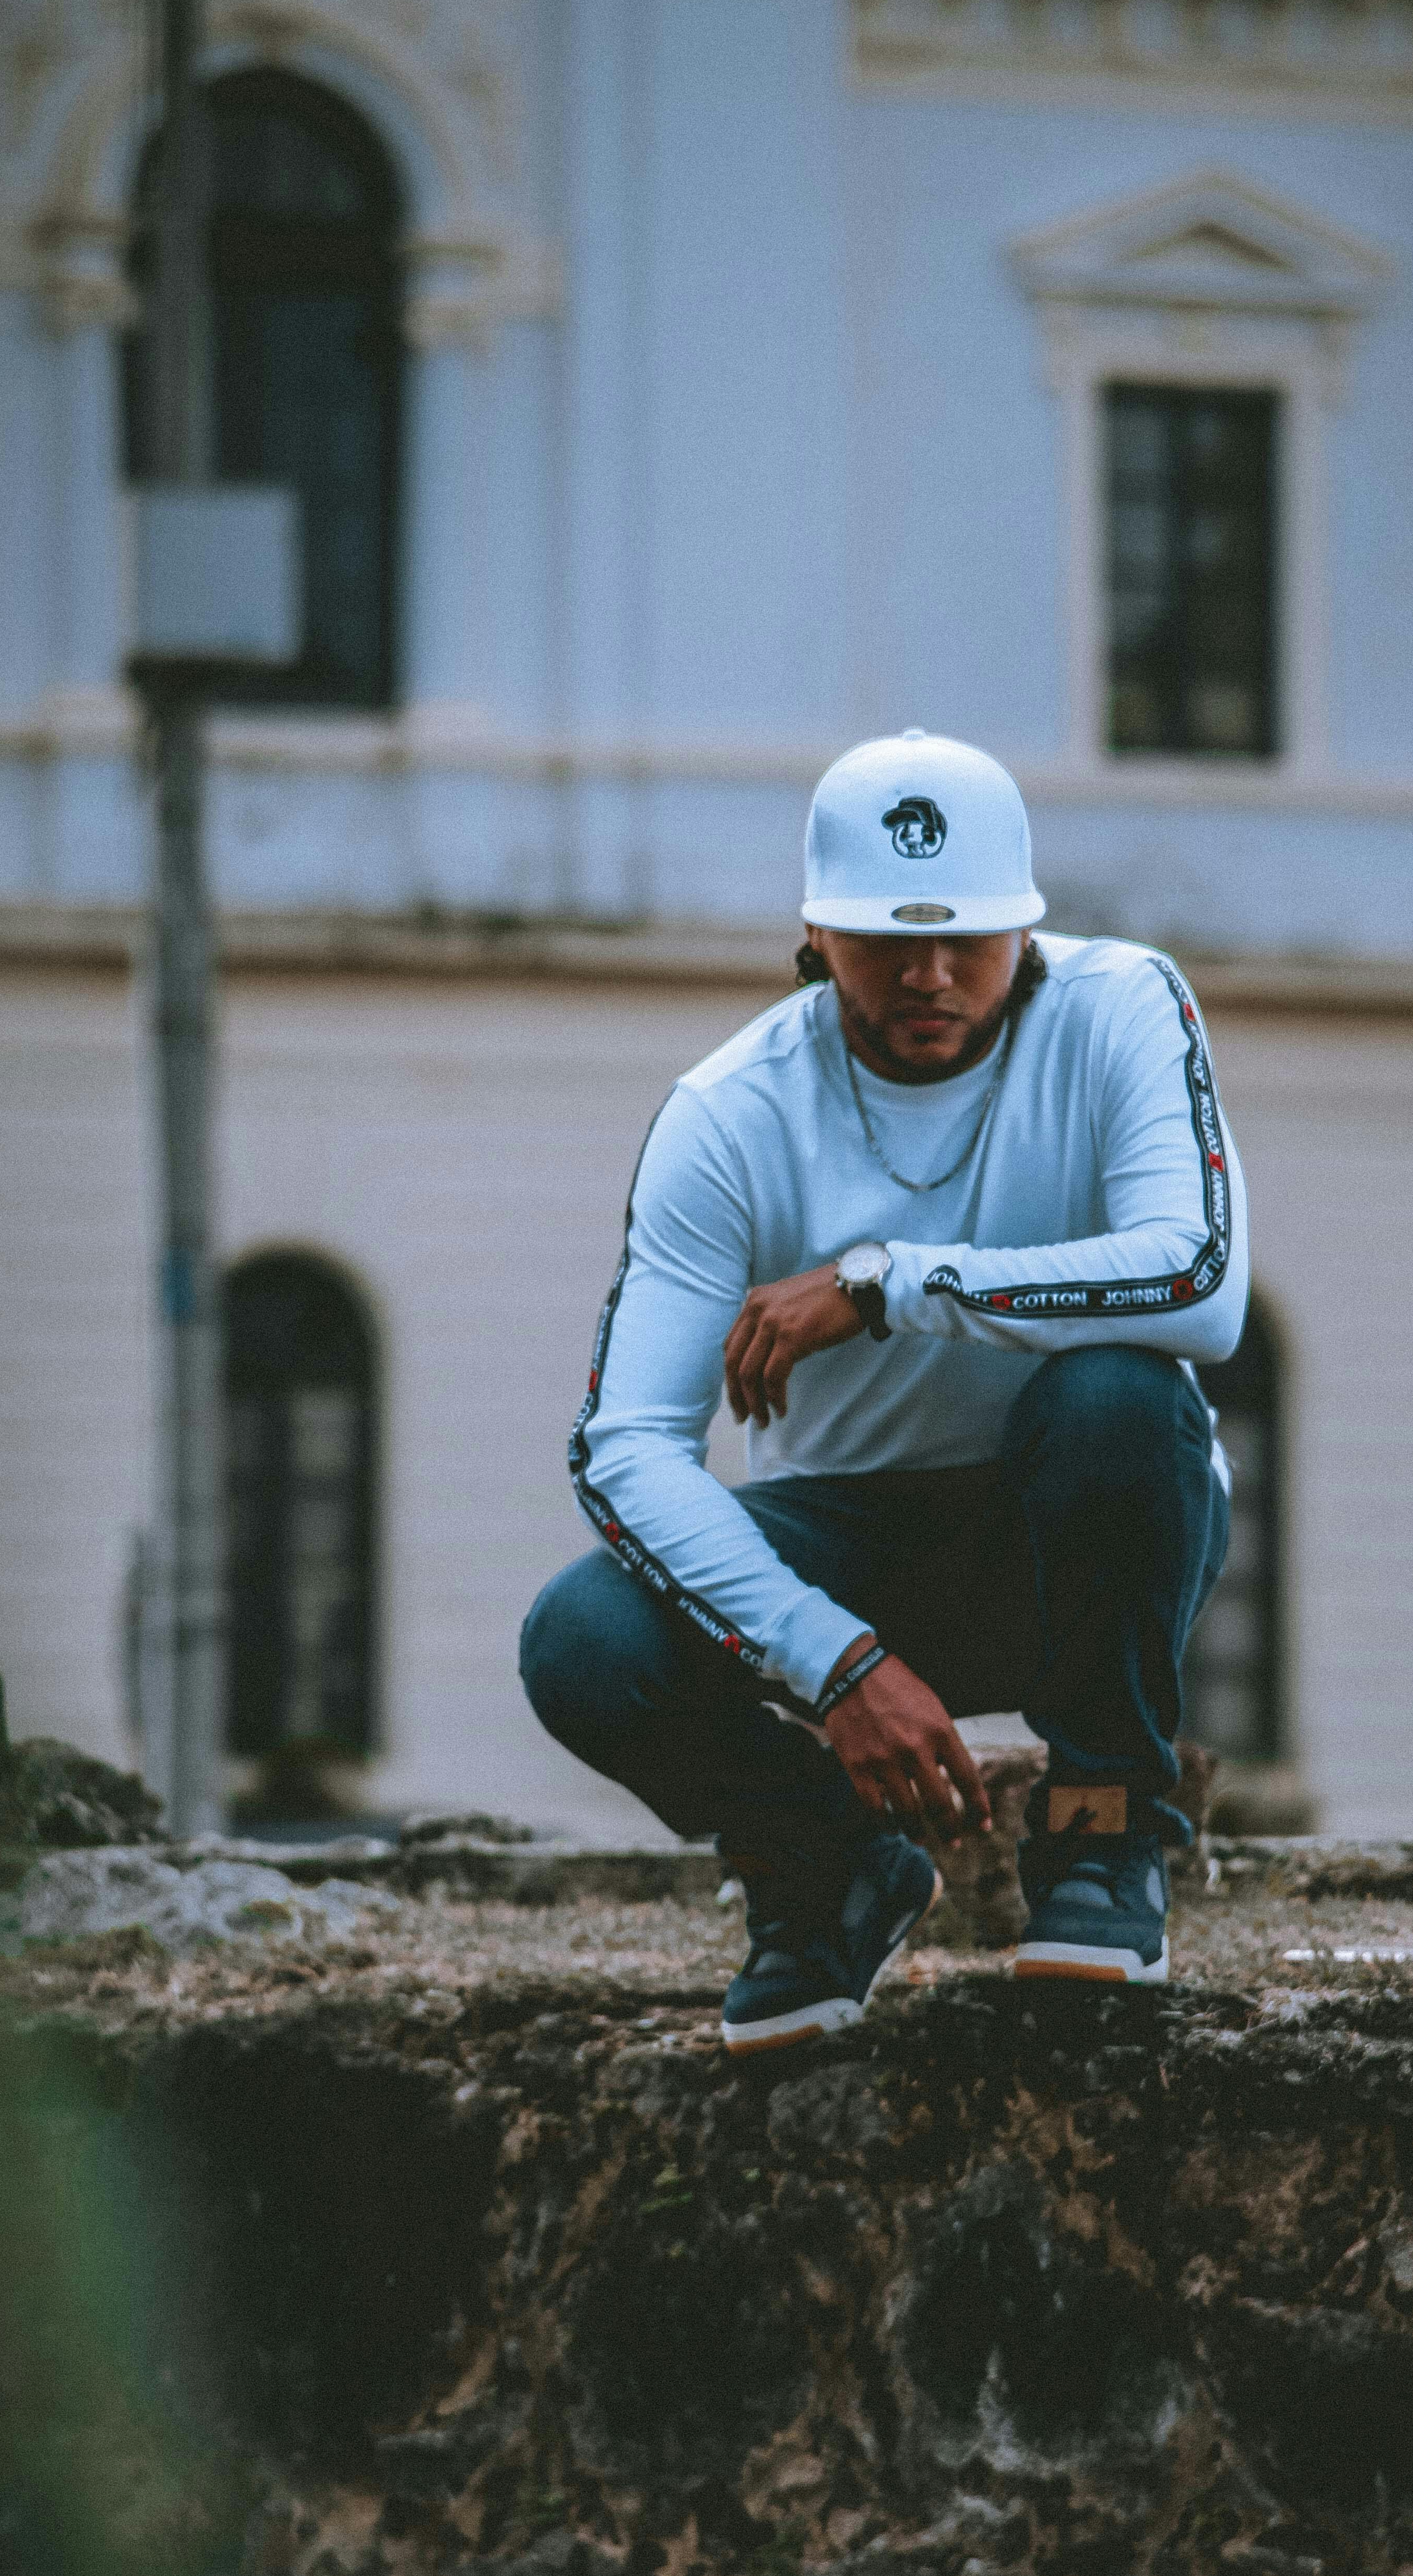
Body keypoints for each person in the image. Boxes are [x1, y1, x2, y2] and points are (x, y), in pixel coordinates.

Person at [519, 730, 1250, 2052]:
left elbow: (1200, 1280)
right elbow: (623, 1451)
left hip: (1078, 1530)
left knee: (1122, 1401)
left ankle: (1102, 1834)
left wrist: (881, 1283)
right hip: (846, 1549)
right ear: (812, 934)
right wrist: (833, 1661)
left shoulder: (1124, 1007)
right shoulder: (729, 1111)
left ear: (1025, 928)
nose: (929, 976)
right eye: (881, 942)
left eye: (967, 938)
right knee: (581, 1641)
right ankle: (828, 1871)